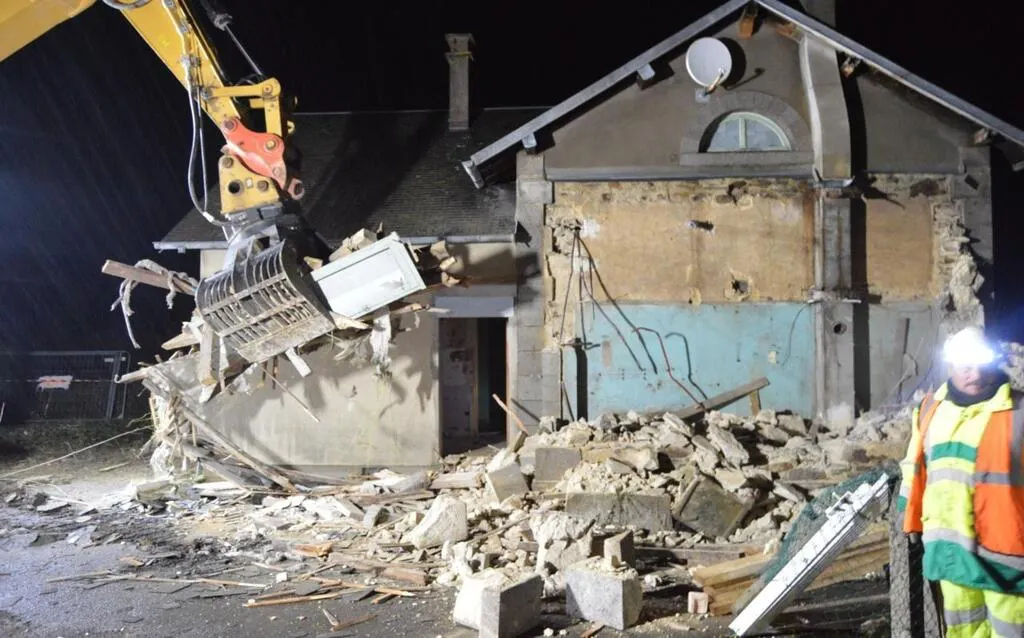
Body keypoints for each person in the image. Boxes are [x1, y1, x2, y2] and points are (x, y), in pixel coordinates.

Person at [900, 326, 1024, 637]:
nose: (975, 373)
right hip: (951, 558)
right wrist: (910, 520)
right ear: (950, 365)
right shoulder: (930, 410)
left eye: (982, 363)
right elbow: (913, 470)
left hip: (1006, 563)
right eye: (965, 365)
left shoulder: (1019, 413)